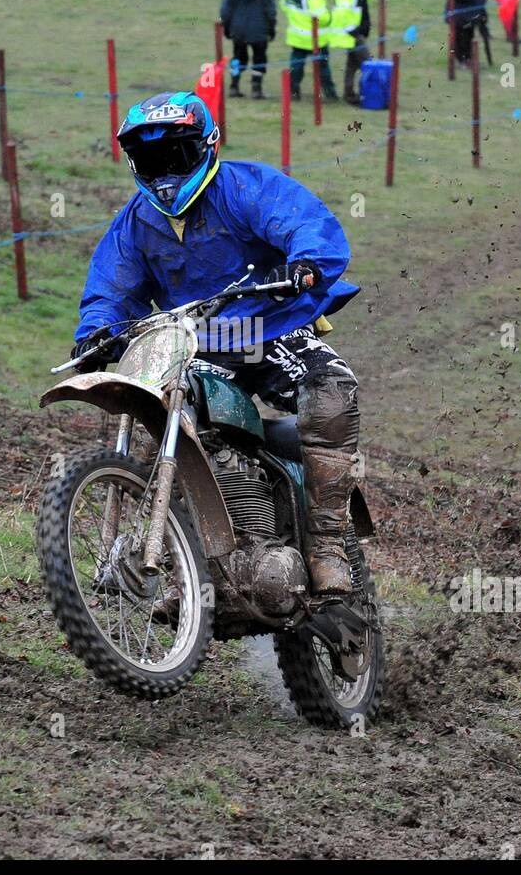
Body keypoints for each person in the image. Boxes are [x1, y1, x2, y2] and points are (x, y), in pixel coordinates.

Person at [72, 91, 363, 595]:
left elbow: (304, 223)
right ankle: (191, 552)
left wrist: (304, 264)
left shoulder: (245, 187)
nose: (163, 172)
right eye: (150, 160)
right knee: (164, 415)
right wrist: (96, 332)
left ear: (207, 147)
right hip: (193, 343)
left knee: (332, 391)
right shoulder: (135, 224)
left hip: (270, 327)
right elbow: (109, 289)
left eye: (175, 157)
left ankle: (327, 542)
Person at [219, 0, 277, 100]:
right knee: (259, 58)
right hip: (259, 30)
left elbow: (225, 11)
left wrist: (226, 28)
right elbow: (271, 10)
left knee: (238, 57)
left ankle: (234, 86)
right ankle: (256, 89)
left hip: (239, 31)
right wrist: (271, 28)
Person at [281, 0, 338, 102]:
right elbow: (322, 18)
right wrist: (331, 18)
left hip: (297, 36)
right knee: (323, 68)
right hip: (316, 38)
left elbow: (284, 5)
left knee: (296, 66)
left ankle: (293, 92)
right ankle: (330, 94)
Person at [329, 0, 377, 104]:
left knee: (352, 64)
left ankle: (349, 94)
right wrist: (353, 30)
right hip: (352, 34)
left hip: (359, 32)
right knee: (367, 64)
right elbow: (342, 13)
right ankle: (373, 95)